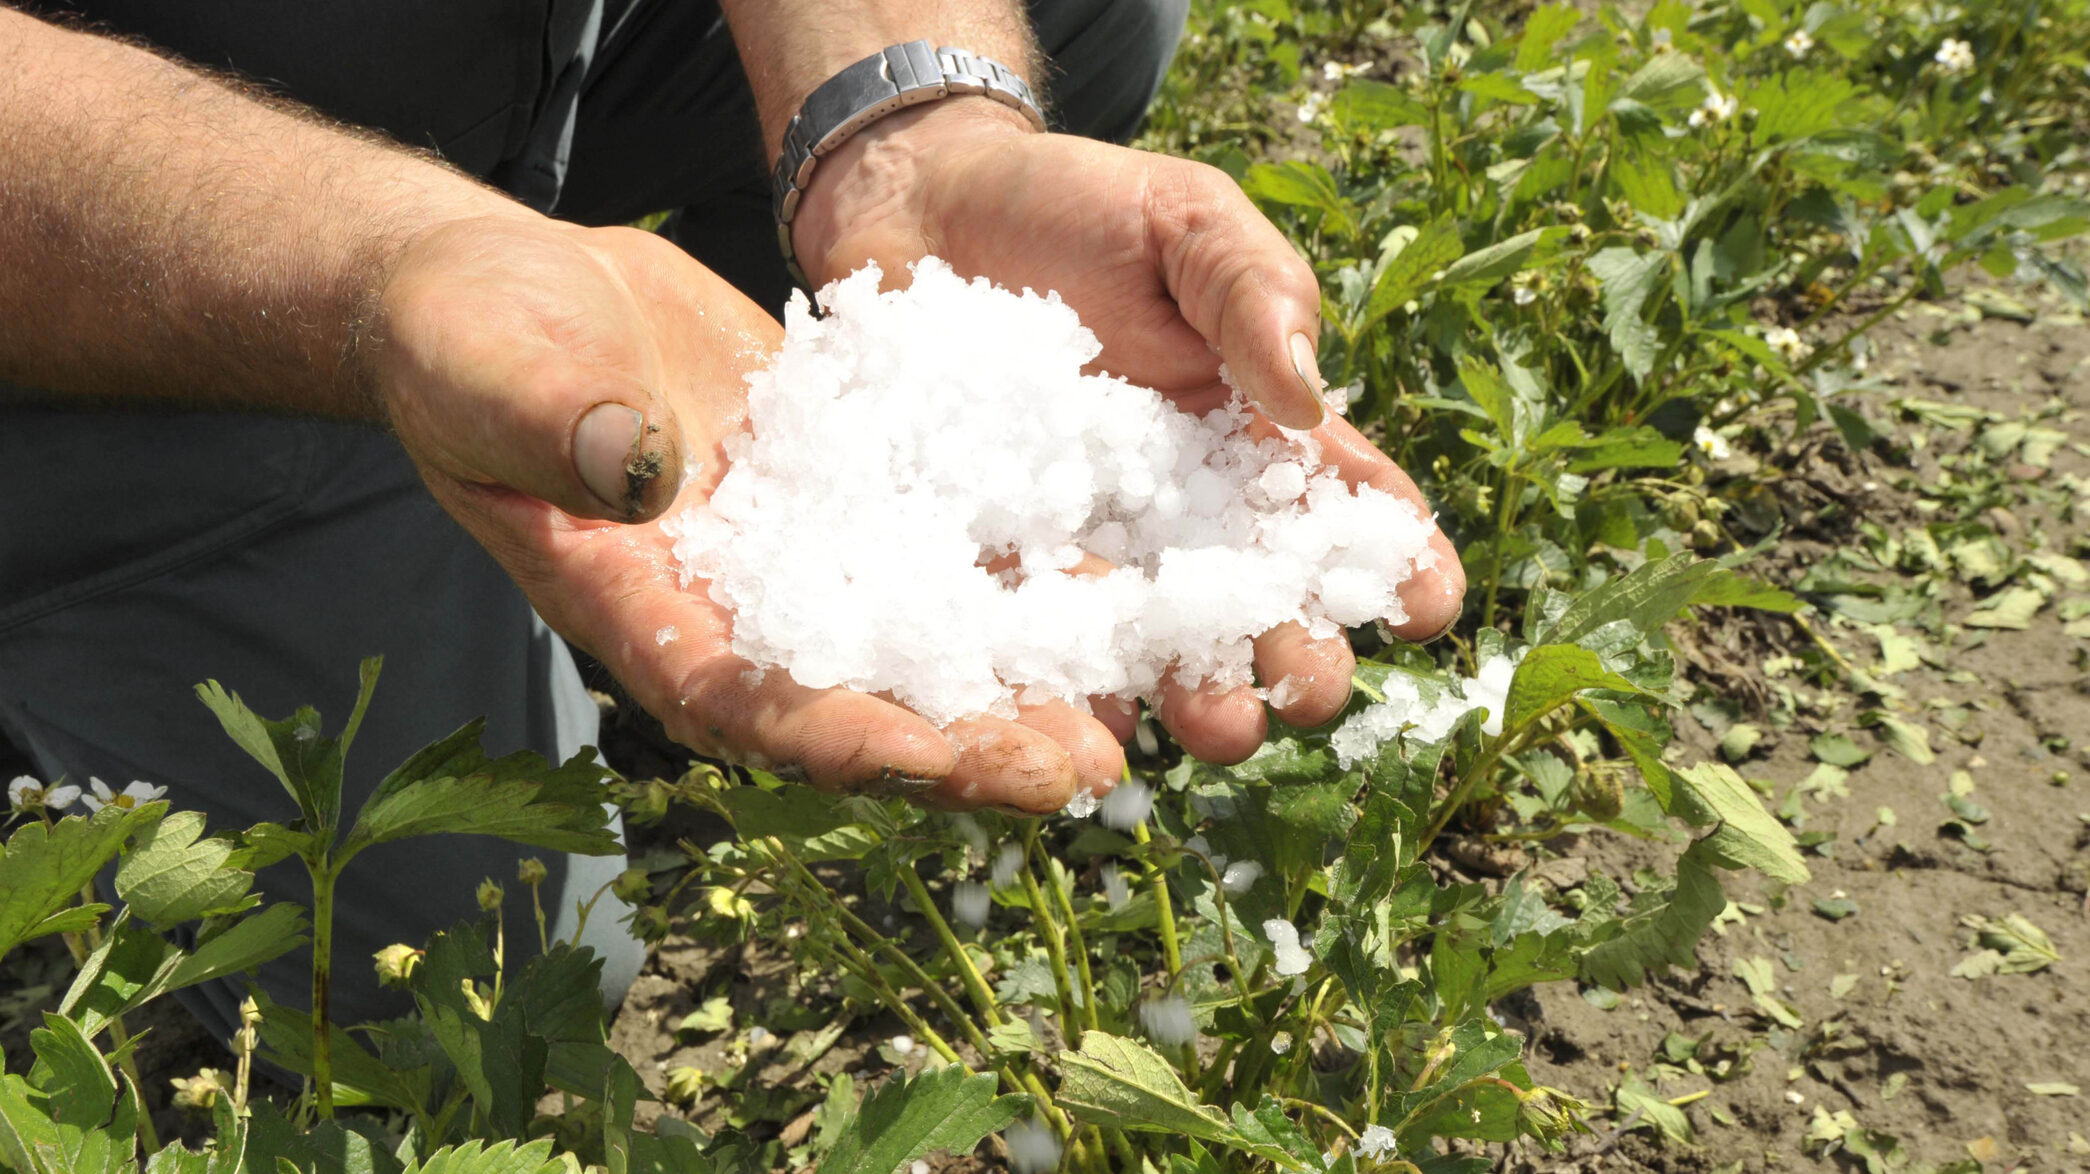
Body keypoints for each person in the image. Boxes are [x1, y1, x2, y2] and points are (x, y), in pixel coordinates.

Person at [0, 0, 1466, 1050]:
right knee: (480, 986)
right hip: (105, 198)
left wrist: (902, 127)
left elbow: (911, 90)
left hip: (507, 53)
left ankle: (604, 343)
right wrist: (380, 268)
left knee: (1090, 16)